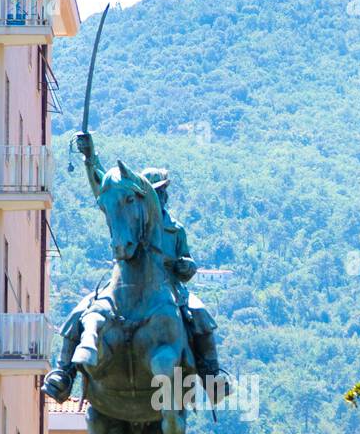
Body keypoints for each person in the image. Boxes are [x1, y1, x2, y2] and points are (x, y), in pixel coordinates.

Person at [45, 132, 227, 402]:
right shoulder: (133, 220)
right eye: (156, 191)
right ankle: (64, 373)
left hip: (168, 288)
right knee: (81, 312)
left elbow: (186, 261)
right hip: (124, 284)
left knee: (200, 314)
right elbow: (104, 190)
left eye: (162, 191)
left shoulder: (175, 229)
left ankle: (212, 376)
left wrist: (185, 266)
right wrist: (90, 158)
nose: (161, 196)